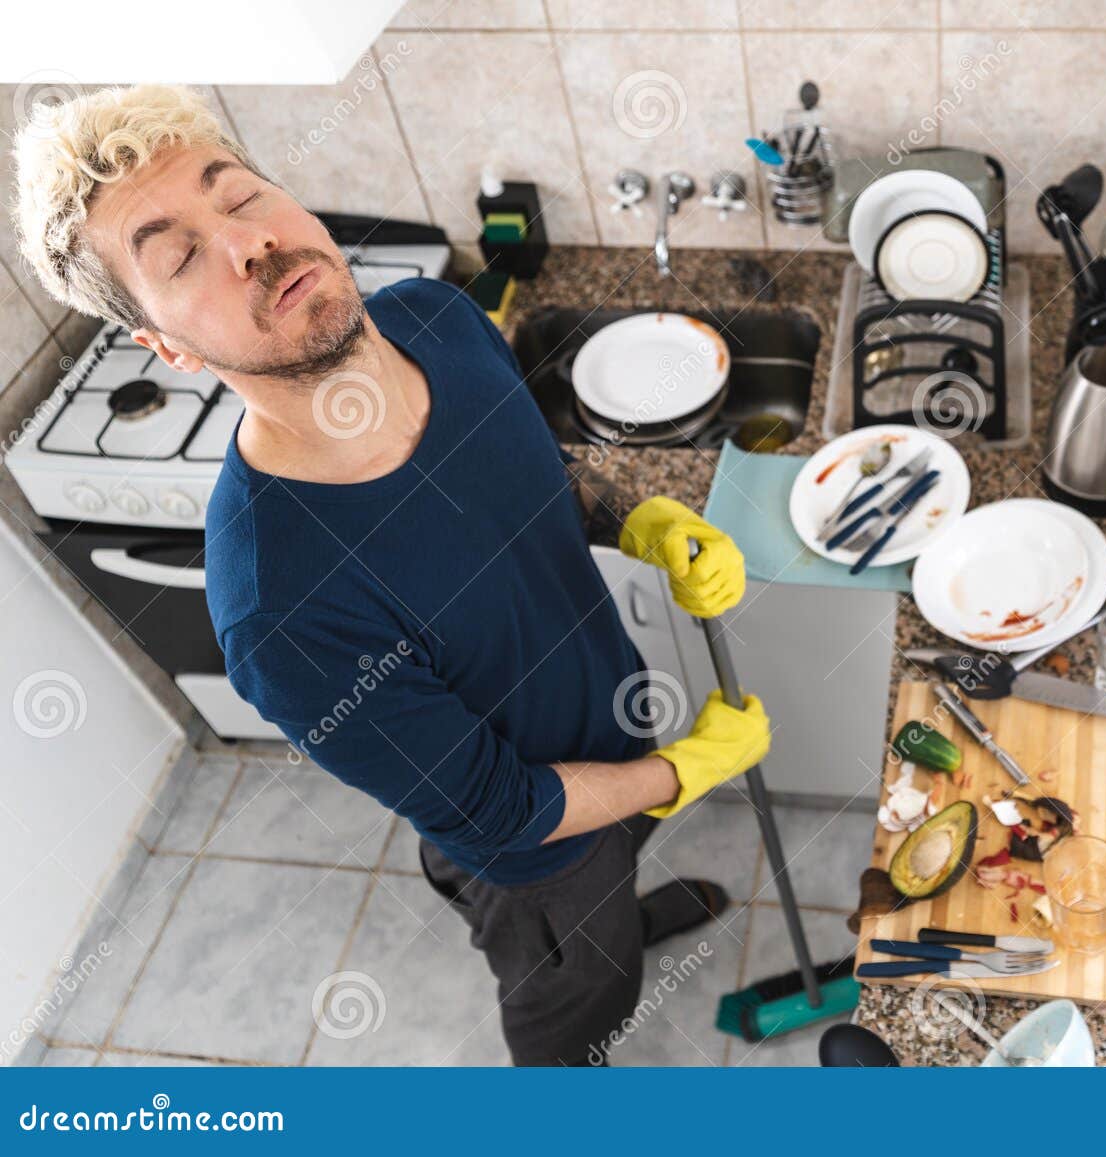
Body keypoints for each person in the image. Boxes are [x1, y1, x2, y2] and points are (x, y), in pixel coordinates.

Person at [11, 83, 771, 1065]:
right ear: (165, 345)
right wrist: (679, 772)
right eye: (181, 255)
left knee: (618, 861)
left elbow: (530, 467)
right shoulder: (282, 609)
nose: (249, 245)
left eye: (239, 196)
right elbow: (507, 808)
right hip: (534, 853)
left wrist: (640, 522)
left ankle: (627, 904)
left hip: (607, 711)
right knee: (578, 993)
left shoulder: (438, 317)